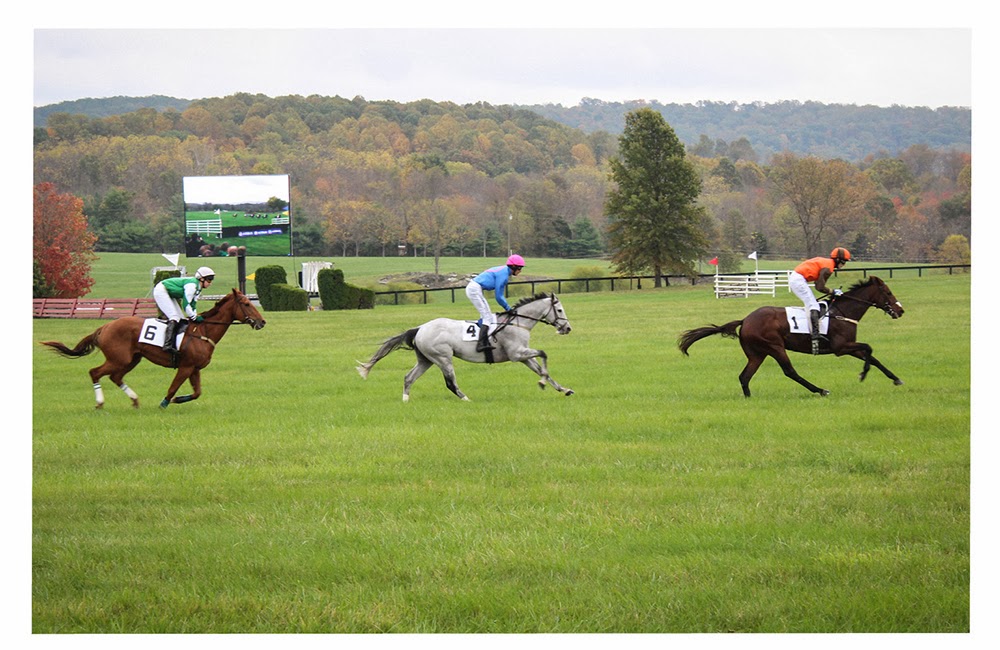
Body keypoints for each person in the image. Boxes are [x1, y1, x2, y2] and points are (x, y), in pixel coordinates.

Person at [789, 247, 851, 354]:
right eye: (843, 261)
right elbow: (820, 287)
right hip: (798, 279)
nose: (844, 264)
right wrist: (833, 292)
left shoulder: (827, 263)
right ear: (837, 260)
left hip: (798, 278)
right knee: (813, 306)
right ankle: (815, 335)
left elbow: (818, 285)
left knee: (812, 303)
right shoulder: (828, 268)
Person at [465, 254, 525, 352]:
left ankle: (483, 339)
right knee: (487, 317)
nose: (520, 271)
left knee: (487, 316)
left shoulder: (504, 271)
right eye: (520, 268)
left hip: (475, 288)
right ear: (514, 267)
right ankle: (480, 344)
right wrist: (508, 309)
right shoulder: (504, 275)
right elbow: (499, 297)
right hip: (474, 289)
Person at [152, 266, 215, 354]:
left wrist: (195, 315)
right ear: (201, 279)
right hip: (161, 290)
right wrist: (194, 317)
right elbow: (186, 304)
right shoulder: (192, 286)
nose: (210, 283)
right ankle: (167, 345)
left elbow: (193, 305)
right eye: (209, 280)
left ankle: (176, 343)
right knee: (174, 317)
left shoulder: (198, 288)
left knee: (181, 319)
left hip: (169, 293)